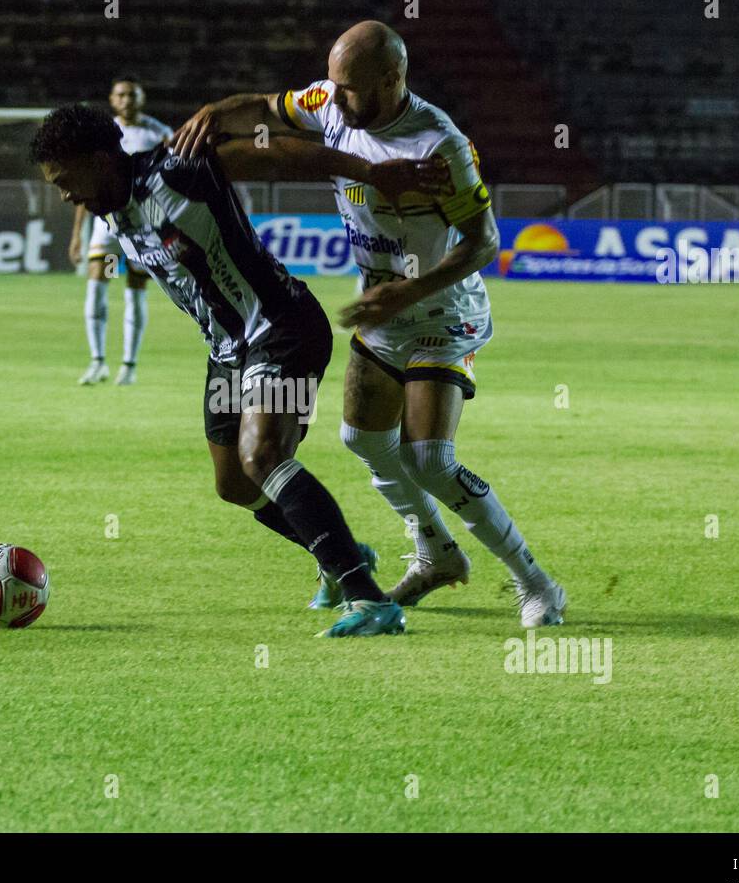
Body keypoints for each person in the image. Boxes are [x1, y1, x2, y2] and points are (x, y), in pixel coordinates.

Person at [171, 20, 569, 628]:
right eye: (334, 85)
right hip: (383, 314)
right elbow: (264, 109)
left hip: (441, 311)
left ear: (392, 78)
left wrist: (407, 290)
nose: (338, 98)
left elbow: (483, 243)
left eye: (352, 88)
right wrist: (212, 112)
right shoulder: (330, 103)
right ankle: (436, 552)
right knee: (362, 440)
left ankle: (536, 583)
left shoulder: (439, 143)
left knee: (431, 456)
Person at [32, 103, 450, 636]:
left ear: (98, 160)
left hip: (285, 328)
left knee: (263, 454)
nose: (66, 194)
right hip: (230, 350)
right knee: (234, 483)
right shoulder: (113, 209)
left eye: (67, 180)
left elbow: (273, 152)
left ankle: (369, 600)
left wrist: (366, 171)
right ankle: (342, 552)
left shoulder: (175, 170)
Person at [70, 78, 173, 386]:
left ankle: (129, 365)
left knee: (135, 288)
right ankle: (98, 361)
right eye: (121, 95)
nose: (126, 99)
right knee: (97, 285)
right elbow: (86, 185)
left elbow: (171, 180)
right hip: (107, 223)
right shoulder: (101, 135)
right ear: (112, 100)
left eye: (132, 94)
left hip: (143, 224)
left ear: (141, 99)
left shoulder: (160, 134)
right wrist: (77, 233)